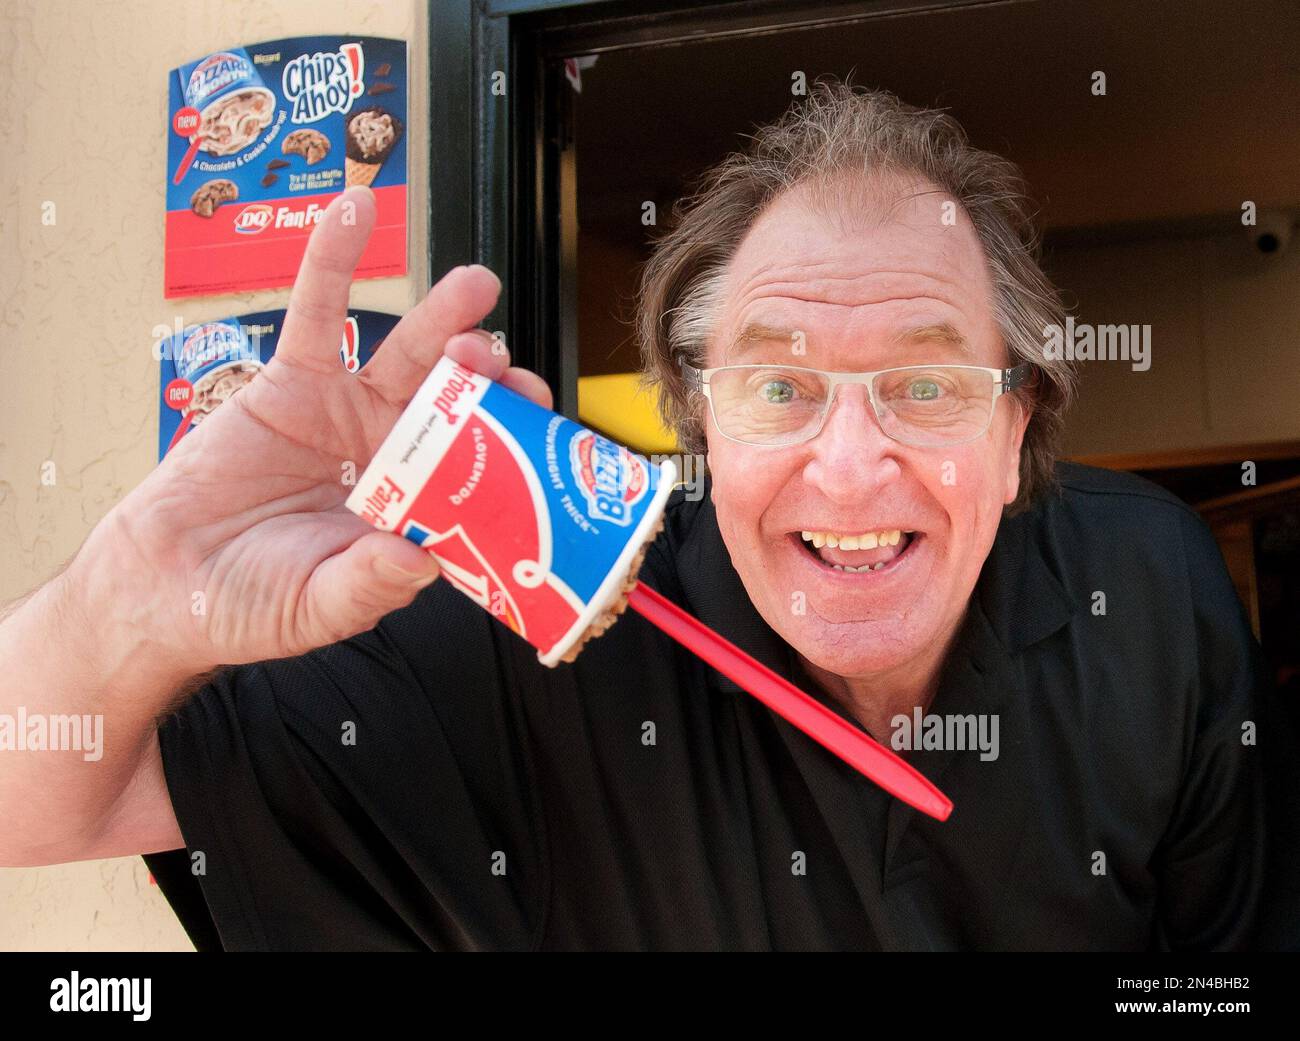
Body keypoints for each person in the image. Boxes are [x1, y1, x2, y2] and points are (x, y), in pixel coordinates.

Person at [0, 81, 1288, 950]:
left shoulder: (1150, 590)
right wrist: (143, 584)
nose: (849, 467)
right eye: (777, 384)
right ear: (699, 427)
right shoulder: (531, 630)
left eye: (929, 383)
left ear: (1014, 434)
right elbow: (42, 808)